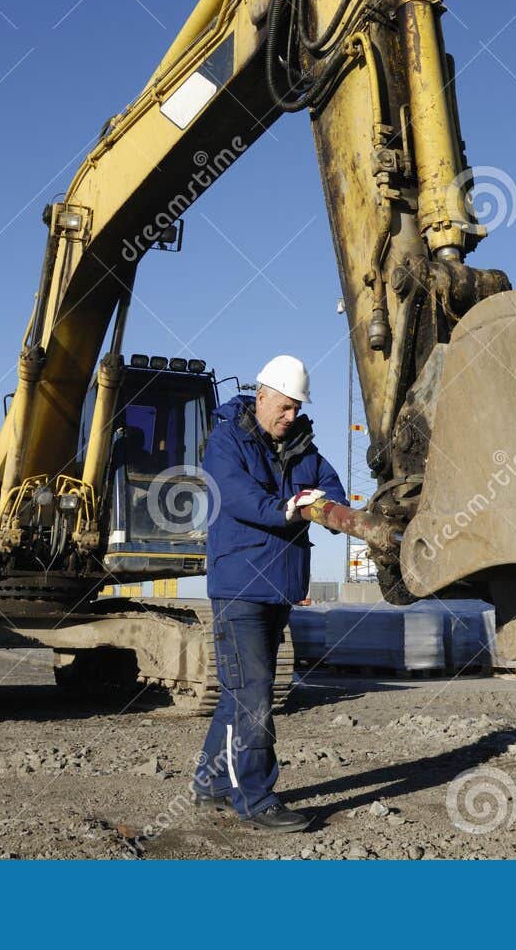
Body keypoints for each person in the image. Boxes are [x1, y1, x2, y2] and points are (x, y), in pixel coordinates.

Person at [192, 354, 346, 832]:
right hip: (239, 589)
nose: (291, 415)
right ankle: (256, 800)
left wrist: (329, 509)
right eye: (284, 406)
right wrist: (290, 508)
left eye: (297, 408)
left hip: (278, 590)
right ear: (260, 397)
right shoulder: (226, 442)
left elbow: (332, 491)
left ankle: (211, 784)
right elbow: (239, 498)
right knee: (253, 696)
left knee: (239, 694)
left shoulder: (303, 449)